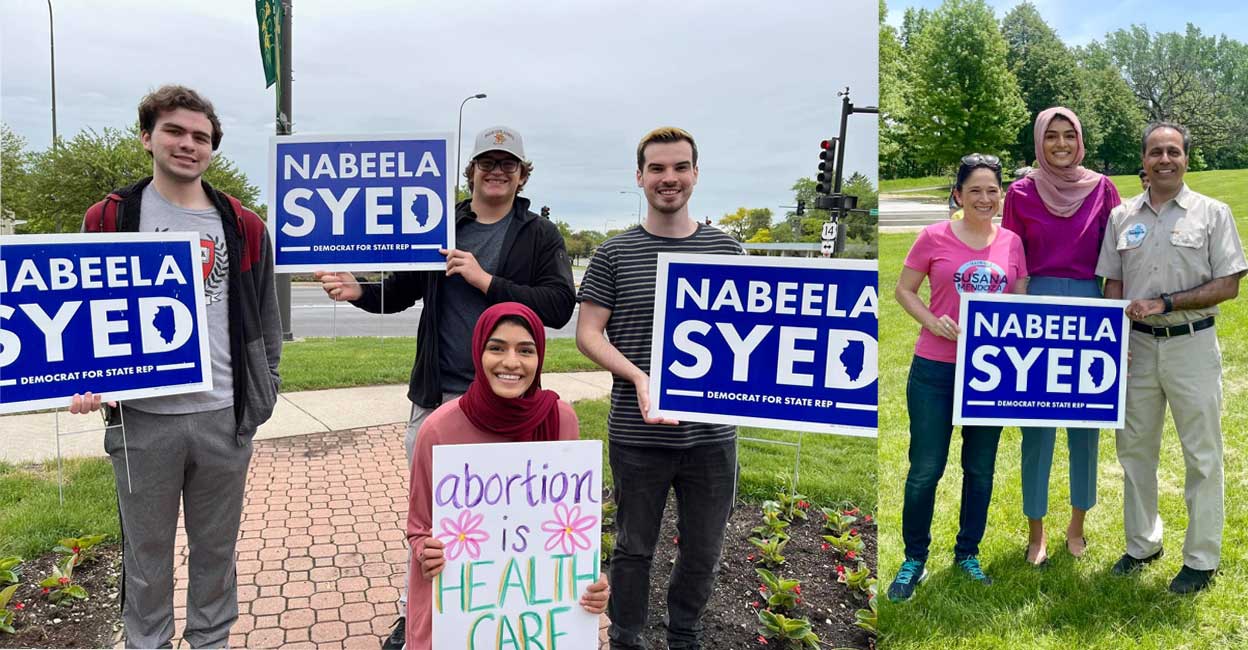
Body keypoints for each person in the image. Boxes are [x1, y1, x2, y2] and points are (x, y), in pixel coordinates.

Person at [315, 125, 575, 647]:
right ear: (471, 171)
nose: (496, 170)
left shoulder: (539, 234)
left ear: (523, 174)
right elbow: (404, 291)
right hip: (440, 397)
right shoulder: (441, 222)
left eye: (507, 163)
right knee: (431, 524)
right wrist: (359, 292)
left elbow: (558, 305)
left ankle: (503, 616)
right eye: (486, 161)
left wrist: (486, 281)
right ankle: (420, 616)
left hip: (509, 403)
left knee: (509, 520)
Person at [70, 85, 282, 647]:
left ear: (212, 148)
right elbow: (85, 314)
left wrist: (264, 392)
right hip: (143, 420)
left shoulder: (243, 225)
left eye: (201, 137)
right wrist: (88, 379)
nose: (188, 144)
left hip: (223, 417)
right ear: (147, 136)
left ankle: (210, 640)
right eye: (175, 131)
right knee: (146, 556)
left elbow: (264, 315)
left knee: (216, 551)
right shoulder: (111, 217)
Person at [576, 127, 743, 649]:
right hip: (636, 432)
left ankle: (684, 633)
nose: (668, 178)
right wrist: (640, 376)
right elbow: (587, 334)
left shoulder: (728, 250)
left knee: (703, 549)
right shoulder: (614, 254)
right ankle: (627, 636)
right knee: (632, 548)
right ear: (640, 177)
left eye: (678, 167)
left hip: (711, 436)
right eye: (657, 169)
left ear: (695, 173)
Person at [1096, 122, 1247, 593]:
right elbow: (1113, 284)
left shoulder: (1212, 213)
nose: (1165, 159)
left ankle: (1201, 559)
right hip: (1136, 348)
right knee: (1134, 450)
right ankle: (1142, 544)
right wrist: (1110, 343)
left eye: (1174, 151)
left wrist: (1166, 302)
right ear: (1143, 160)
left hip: (1191, 344)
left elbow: (1229, 285)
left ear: (1186, 158)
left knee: (1201, 454)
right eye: (1156, 152)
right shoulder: (1121, 217)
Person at [405, 302, 609, 649]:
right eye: (496, 348)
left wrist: (588, 583)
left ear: (540, 357)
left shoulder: (560, 419)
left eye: (525, 350)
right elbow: (419, 527)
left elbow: (568, 526)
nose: (511, 362)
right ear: (478, 352)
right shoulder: (438, 429)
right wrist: (428, 550)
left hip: (536, 618)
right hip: (463, 610)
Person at [888, 154, 1028, 602]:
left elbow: (1019, 306)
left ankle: (968, 553)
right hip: (934, 370)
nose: (984, 198)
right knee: (925, 470)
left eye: (992, 190)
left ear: (1001, 195)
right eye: (975, 191)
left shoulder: (1012, 243)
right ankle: (914, 559)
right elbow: (903, 290)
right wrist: (931, 321)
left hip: (989, 375)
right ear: (958, 195)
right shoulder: (933, 237)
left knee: (980, 471)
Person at [1001, 106, 1121, 566]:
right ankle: (1037, 533)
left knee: (1085, 428)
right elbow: (1012, 258)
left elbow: (1117, 258)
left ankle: (1076, 526)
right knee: (1036, 429)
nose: (1061, 144)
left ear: (1080, 138)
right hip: (1035, 310)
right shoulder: (1020, 192)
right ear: (1039, 141)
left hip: (1091, 310)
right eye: (1051, 136)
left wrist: (1116, 325)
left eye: (1069, 134)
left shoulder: (1103, 189)